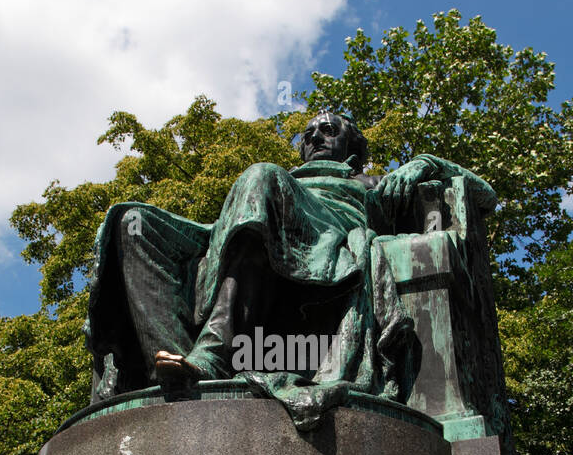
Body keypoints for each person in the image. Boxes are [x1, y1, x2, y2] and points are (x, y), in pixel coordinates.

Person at [86, 110, 495, 430]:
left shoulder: (371, 183)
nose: (315, 136)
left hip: (325, 250)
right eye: (309, 133)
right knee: (130, 223)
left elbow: (485, 194)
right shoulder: (274, 185)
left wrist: (424, 163)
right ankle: (179, 373)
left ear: (354, 148)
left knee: (262, 175)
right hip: (240, 240)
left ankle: (213, 358)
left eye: (328, 130)